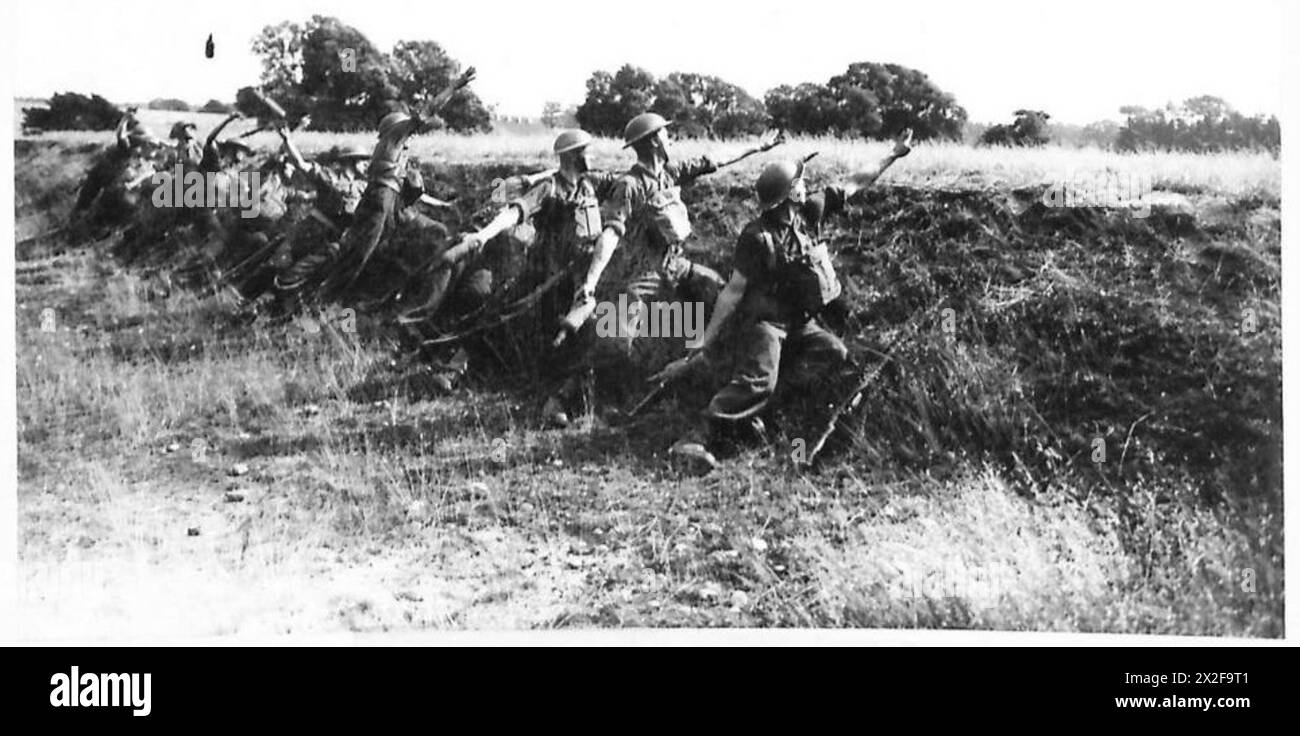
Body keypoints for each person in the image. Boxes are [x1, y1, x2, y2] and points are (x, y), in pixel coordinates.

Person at [651, 128, 914, 472]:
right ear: (789, 194)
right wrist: (703, 341)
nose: (806, 185)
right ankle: (695, 437)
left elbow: (854, 183)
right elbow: (733, 292)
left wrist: (893, 154)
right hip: (764, 325)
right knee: (758, 381)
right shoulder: (756, 237)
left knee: (834, 354)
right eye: (800, 182)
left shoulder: (810, 216)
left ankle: (762, 419)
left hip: (801, 322)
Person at [411, 128, 619, 423]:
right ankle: (455, 368)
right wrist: (482, 237)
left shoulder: (591, 184)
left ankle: (563, 396)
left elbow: (634, 181)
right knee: (501, 315)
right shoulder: (549, 189)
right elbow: (514, 213)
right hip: (543, 277)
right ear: (574, 156)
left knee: (590, 330)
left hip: (579, 280)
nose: (593, 156)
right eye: (588, 151)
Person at [560, 112, 784, 353]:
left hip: (676, 264)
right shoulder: (630, 186)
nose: (671, 140)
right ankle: (584, 379)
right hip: (643, 272)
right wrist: (589, 283)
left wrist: (759, 147)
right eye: (666, 134)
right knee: (614, 339)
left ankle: (720, 357)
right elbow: (611, 234)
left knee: (719, 292)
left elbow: (716, 159)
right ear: (655, 141)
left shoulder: (671, 173)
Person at [317, 67, 477, 298]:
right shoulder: (395, 136)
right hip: (381, 199)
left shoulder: (397, 155)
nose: (412, 136)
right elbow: (429, 110)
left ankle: (368, 297)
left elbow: (407, 191)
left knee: (389, 248)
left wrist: (443, 207)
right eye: (410, 131)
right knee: (360, 253)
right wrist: (454, 86)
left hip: (388, 202)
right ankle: (324, 299)